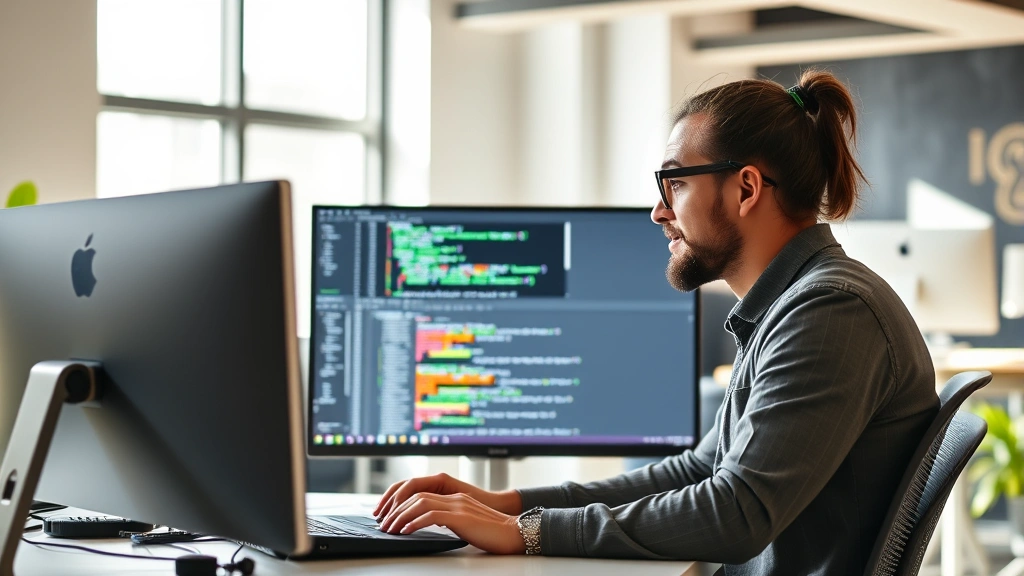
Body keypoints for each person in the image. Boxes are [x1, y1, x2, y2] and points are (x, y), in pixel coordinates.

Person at [371, 70, 939, 575]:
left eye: (676, 182)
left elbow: (737, 513)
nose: (659, 210)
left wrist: (530, 534)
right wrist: (511, 506)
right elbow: (702, 469)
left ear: (746, 188)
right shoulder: (794, 305)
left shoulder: (830, 311)